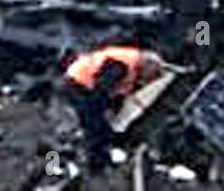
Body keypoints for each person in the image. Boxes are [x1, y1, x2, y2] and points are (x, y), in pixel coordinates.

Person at [61, 45, 164, 181]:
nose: (146, 81)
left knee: (99, 126)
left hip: (84, 84)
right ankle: (94, 166)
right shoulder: (121, 64)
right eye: (151, 75)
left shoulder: (130, 66)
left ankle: (97, 157)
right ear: (147, 65)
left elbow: (117, 94)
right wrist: (103, 110)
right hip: (79, 83)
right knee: (94, 126)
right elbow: (101, 87)